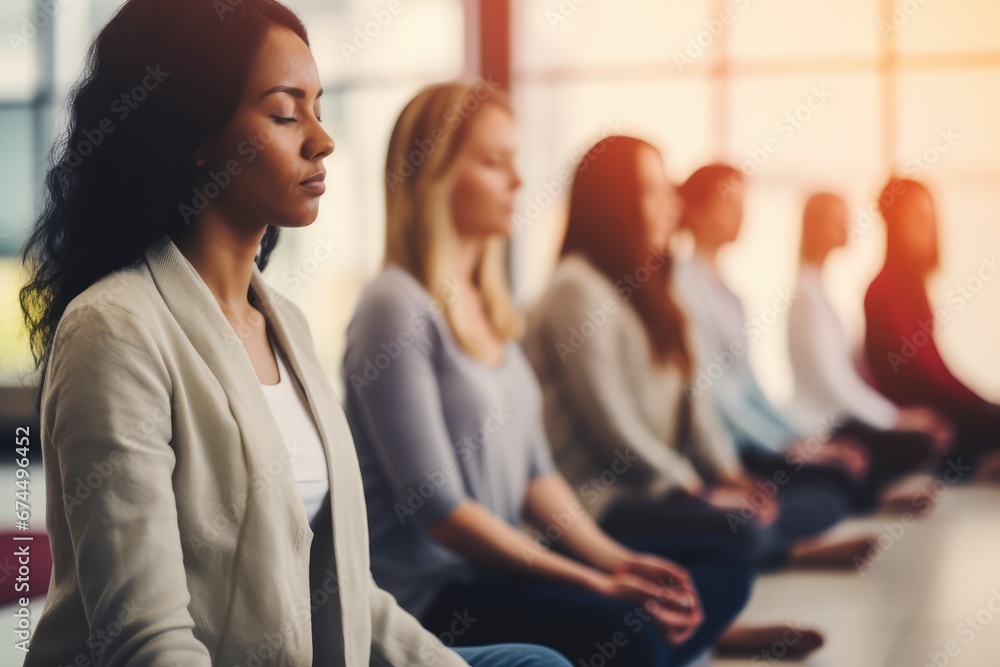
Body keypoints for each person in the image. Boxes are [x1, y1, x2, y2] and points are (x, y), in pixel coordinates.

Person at [18, 2, 569, 665]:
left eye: (318, 107)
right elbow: (148, 640)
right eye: (285, 113)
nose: (322, 139)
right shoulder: (113, 329)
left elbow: (346, 593)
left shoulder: (286, 325)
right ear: (194, 138)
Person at [344, 83, 753, 666]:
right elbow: (442, 512)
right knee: (630, 633)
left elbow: (537, 474)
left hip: (494, 572)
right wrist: (593, 582)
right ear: (431, 174)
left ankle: (677, 642)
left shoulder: (495, 307)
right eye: (493, 163)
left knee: (694, 582)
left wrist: (616, 560)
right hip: (430, 597)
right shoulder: (395, 307)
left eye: (515, 162)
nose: (517, 182)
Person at [524, 137, 863, 589]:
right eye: (654, 191)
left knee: (811, 499)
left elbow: (696, 395)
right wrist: (697, 490)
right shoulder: (577, 289)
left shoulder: (650, 286)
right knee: (741, 530)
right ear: (613, 202)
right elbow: (613, 428)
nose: (672, 205)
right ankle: (785, 550)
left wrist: (729, 474)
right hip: (601, 501)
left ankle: (755, 548)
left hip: (657, 486)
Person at [673, 165, 934, 513]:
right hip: (730, 444)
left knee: (841, 471)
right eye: (728, 203)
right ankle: (872, 498)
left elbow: (751, 388)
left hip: (772, 431)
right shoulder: (682, 287)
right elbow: (719, 400)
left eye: (742, 203)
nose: (740, 214)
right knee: (837, 480)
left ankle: (862, 494)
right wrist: (790, 445)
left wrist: (800, 441)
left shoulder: (731, 295)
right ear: (695, 210)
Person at [787, 191, 950, 490]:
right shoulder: (806, 298)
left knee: (926, 437)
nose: (848, 227)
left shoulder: (821, 292)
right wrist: (895, 418)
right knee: (920, 442)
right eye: (839, 221)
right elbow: (836, 384)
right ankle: (867, 490)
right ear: (817, 228)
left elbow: (851, 374)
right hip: (824, 423)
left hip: (841, 414)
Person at [863, 178, 1000, 480]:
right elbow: (913, 375)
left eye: (929, 219)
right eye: (917, 218)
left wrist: (979, 401)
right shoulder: (882, 289)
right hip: (922, 415)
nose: (927, 229)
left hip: (941, 406)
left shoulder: (914, 287)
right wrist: (975, 405)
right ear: (894, 223)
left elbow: (935, 366)